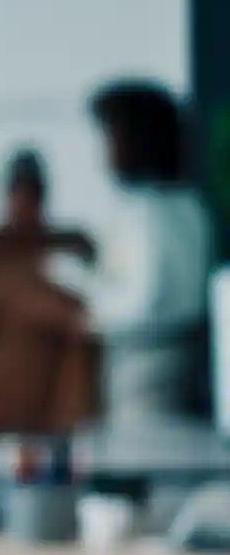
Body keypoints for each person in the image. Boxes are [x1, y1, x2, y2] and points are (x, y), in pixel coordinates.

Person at [79, 80, 214, 425]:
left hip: (146, 364)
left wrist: (84, 310)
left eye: (110, 136)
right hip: (179, 362)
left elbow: (144, 301)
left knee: (142, 449)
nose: (103, 151)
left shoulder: (147, 212)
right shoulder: (189, 206)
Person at [0, 148, 99, 435]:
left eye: (31, 196)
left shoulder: (70, 247)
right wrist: (1, 295)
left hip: (52, 407)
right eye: (16, 194)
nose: (22, 205)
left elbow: (88, 321)